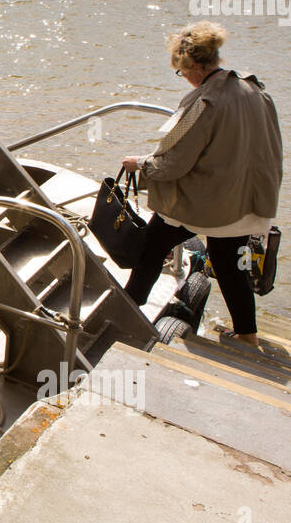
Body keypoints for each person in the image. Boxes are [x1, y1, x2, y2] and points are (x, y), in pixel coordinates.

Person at [120, 21, 282, 347]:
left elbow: (174, 163)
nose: (186, 79)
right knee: (227, 262)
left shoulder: (204, 103)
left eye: (182, 72)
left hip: (212, 204)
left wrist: (140, 164)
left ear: (193, 65)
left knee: (151, 247)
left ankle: (125, 315)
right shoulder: (254, 89)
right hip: (249, 199)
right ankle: (247, 336)